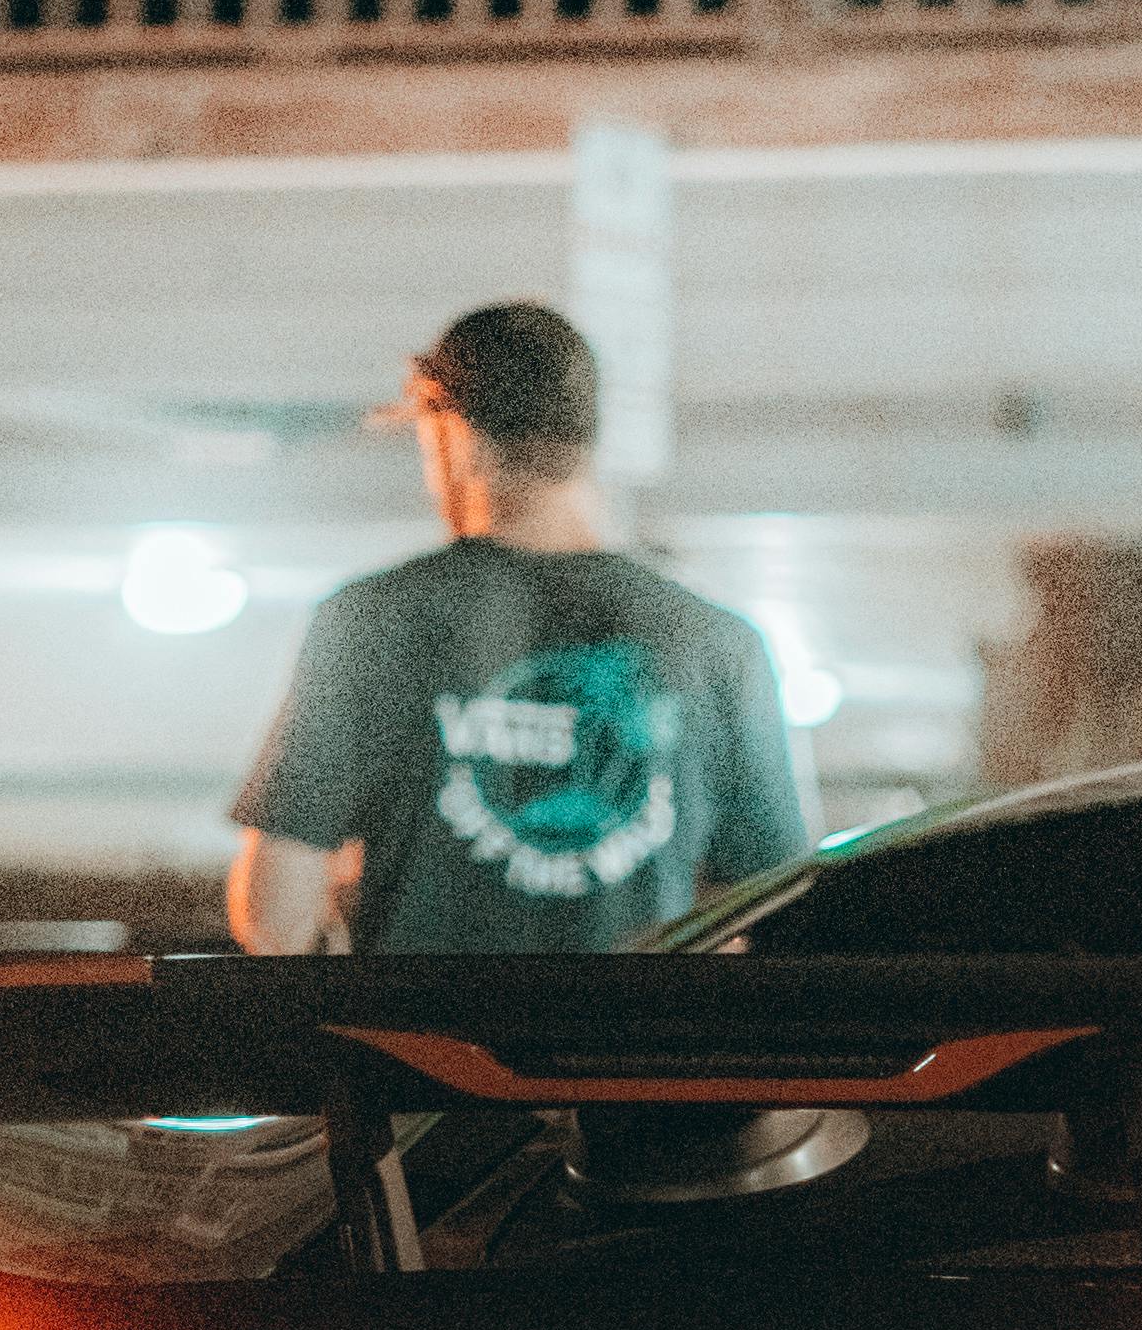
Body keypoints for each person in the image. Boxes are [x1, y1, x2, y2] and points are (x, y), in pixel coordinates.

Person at [224, 301, 810, 959]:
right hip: (632, 1058)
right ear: (588, 444)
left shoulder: (370, 620)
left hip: (429, 1054)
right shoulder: (719, 645)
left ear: (456, 439)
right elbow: (775, 914)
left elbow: (276, 919)